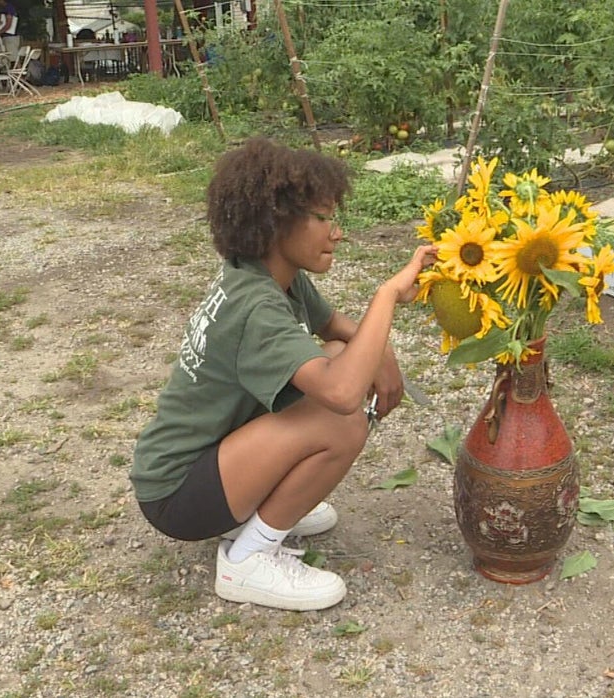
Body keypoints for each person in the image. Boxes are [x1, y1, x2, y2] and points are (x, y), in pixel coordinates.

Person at [131, 138, 436, 612]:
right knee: (344, 417)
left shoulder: (262, 273)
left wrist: (383, 354)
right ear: (275, 222)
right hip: (177, 493)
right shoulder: (257, 307)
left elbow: (337, 331)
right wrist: (388, 296)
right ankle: (247, 560)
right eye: (323, 218)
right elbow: (341, 392)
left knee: (338, 353)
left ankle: (263, 509)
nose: (337, 233)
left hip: (204, 462)